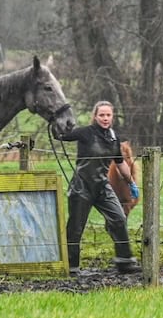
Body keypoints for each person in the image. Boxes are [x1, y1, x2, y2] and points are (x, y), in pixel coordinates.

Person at [58, 100, 141, 275]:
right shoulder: (85, 133)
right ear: (95, 116)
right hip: (82, 187)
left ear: (112, 117)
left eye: (108, 115)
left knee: (119, 218)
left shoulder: (113, 137)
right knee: (75, 227)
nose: (105, 118)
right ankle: (71, 267)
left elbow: (120, 163)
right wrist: (57, 123)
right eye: (101, 115)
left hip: (102, 186)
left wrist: (131, 182)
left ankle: (125, 261)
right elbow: (62, 135)